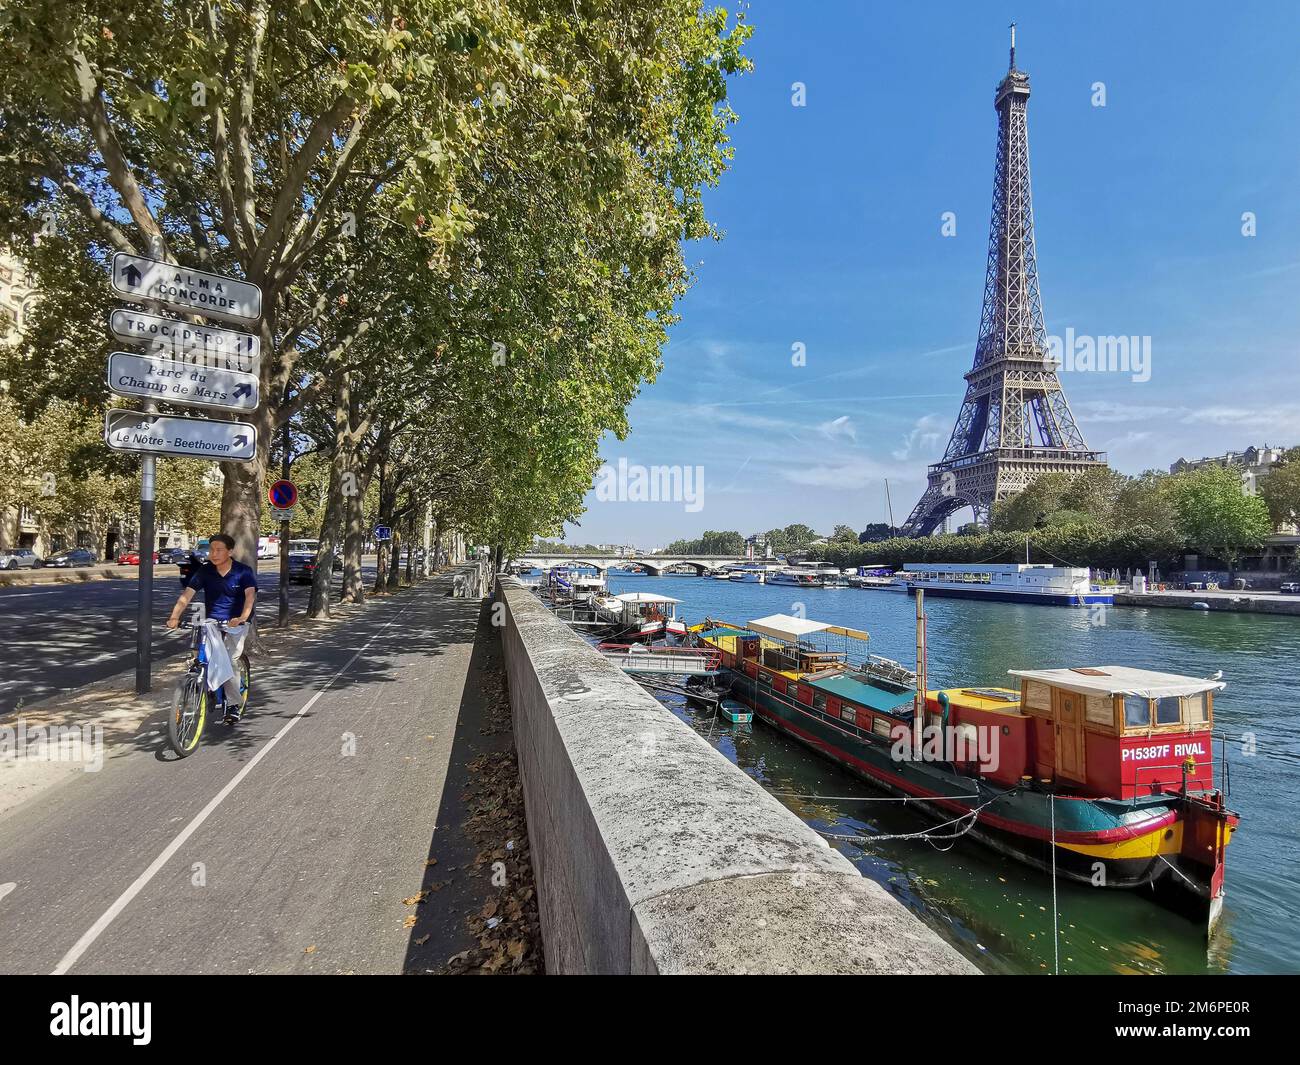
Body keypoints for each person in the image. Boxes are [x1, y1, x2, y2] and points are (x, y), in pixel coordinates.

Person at [166, 533, 257, 724]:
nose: (213, 554)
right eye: (211, 550)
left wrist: (242, 617)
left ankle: (232, 704)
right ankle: (200, 685)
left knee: (230, 661)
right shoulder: (205, 571)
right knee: (201, 657)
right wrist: (174, 616)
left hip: (236, 623)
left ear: (230, 551)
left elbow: (249, 597)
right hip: (212, 622)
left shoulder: (243, 571)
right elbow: (187, 595)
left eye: (219, 550)